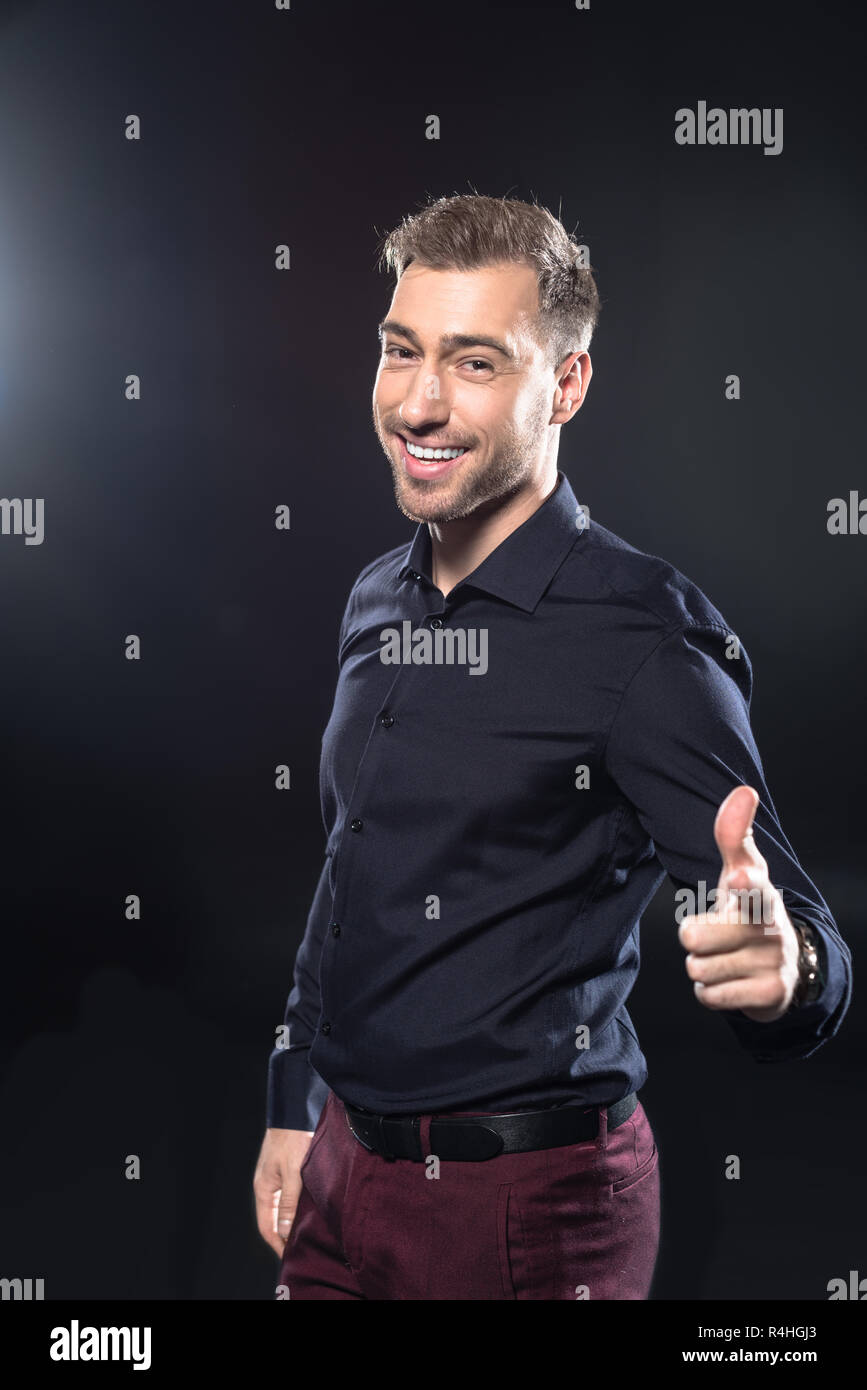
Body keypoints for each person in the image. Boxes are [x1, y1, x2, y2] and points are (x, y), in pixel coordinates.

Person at [252, 193, 851, 1300]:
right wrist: (298, 1098)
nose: (419, 403)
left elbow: (803, 934)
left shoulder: (645, 640)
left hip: (526, 1215)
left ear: (566, 385)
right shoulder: (374, 598)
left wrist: (787, 970)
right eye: (401, 351)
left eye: (475, 363)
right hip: (341, 1168)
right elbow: (350, 869)